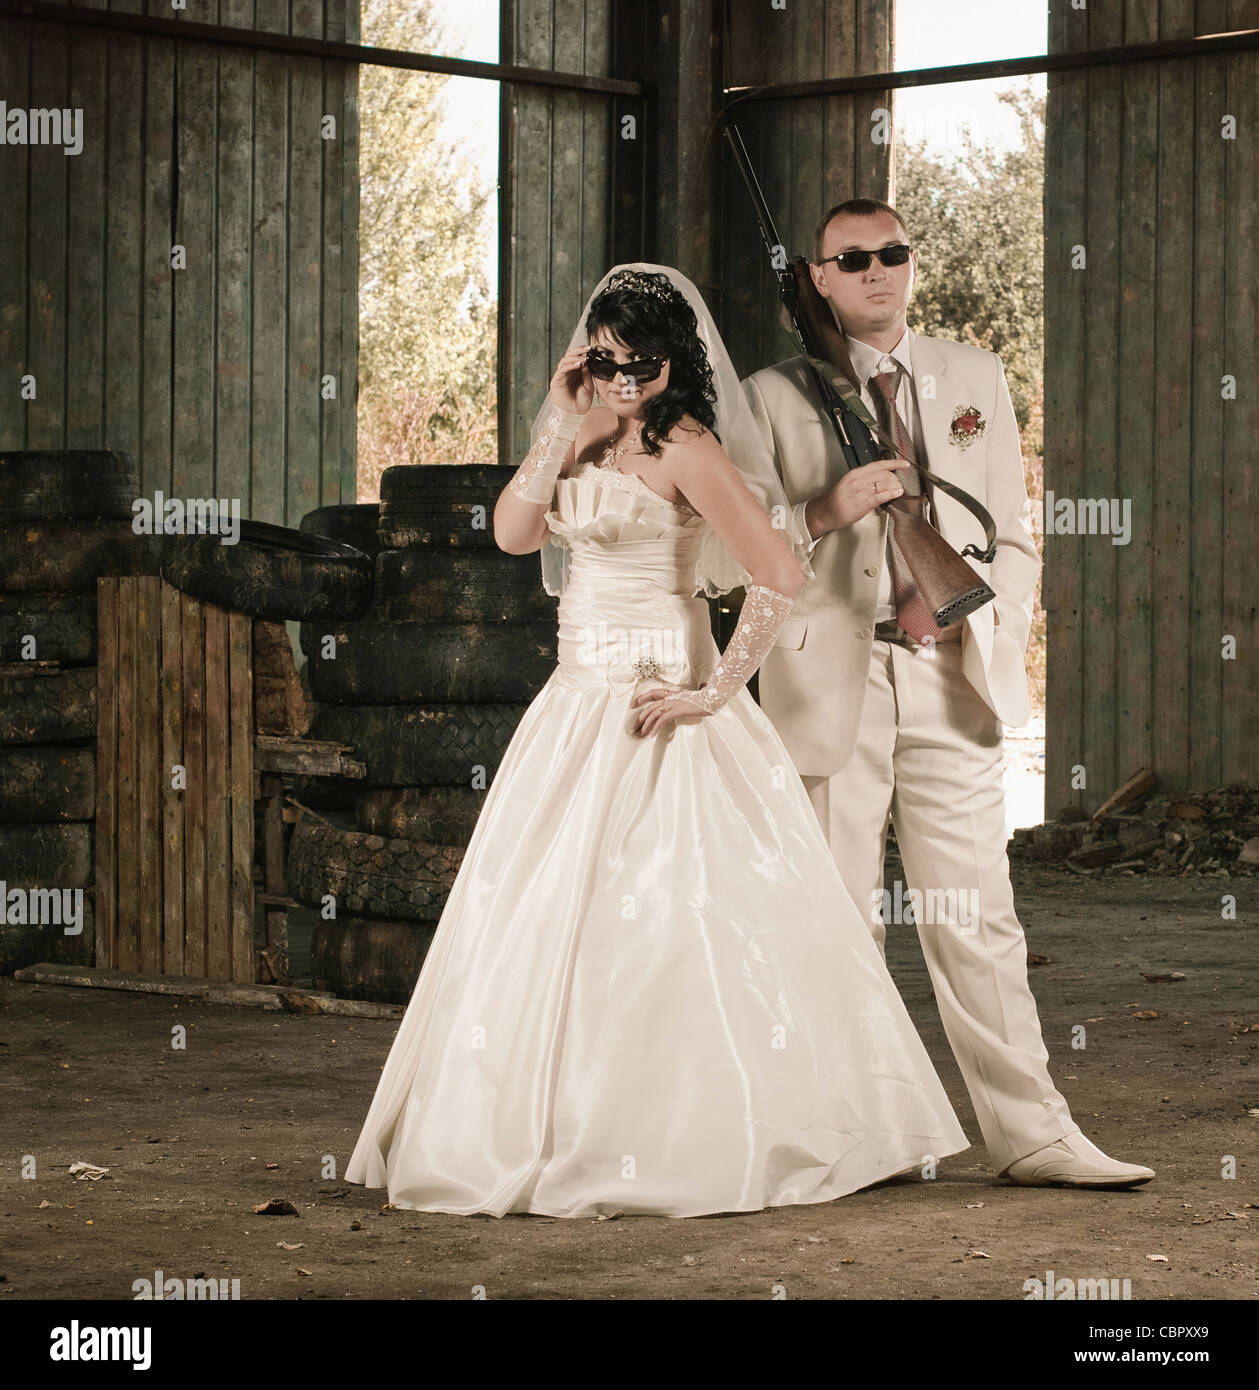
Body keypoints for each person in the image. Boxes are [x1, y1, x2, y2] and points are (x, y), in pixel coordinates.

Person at [344, 264, 968, 1218]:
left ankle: (695, 1130)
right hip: (574, 705)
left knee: (677, 918)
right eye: (606, 360)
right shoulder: (580, 432)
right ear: (584, 359)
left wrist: (713, 692)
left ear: (674, 363)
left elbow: (773, 574)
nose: (624, 378)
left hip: (654, 701)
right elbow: (513, 536)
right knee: (545, 914)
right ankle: (541, 1127)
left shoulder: (689, 450)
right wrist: (561, 421)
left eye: (640, 364)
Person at [742, 200, 1154, 1189]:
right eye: (853, 259)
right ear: (818, 276)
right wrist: (824, 507)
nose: (877, 272)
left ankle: (1032, 1135)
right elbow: (732, 546)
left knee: (975, 914)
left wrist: (971, 617)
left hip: (950, 673)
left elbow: (1011, 533)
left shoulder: (972, 376)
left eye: (892, 254)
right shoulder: (768, 394)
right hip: (827, 673)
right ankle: (851, 1136)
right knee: (837, 918)